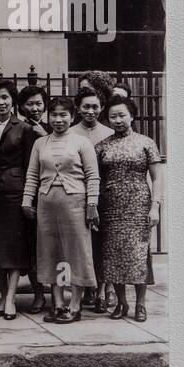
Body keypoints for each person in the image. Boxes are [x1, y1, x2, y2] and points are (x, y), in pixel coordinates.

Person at [22, 96, 100, 324]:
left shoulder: (81, 143)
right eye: (54, 115)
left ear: (72, 117)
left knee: (76, 252)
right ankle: (57, 304)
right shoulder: (40, 143)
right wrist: (27, 201)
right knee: (51, 252)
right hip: (47, 203)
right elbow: (32, 175)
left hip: (75, 202)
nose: (58, 119)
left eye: (63, 115)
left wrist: (92, 205)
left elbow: (93, 177)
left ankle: (74, 305)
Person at [96, 95, 164, 323]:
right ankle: (122, 304)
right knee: (113, 255)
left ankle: (141, 304)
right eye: (112, 116)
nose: (117, 120)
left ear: (132, 115)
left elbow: (157, 177)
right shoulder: (102, 146)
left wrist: (155, 207)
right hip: (110, 207)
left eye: (122, 115)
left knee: (138, 255)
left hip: (138, 205)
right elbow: (94, 178)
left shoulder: (146, 142)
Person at [0, 79, 39, 319]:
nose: (0, 102)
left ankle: (11, 298)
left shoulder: (24, 128)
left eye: (5, 98)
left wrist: (27, 197)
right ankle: (2, 295)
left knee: (14, 248)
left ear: (12, 101)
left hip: (15, 193)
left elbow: (30, 166)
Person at [70, 88, 115, 310]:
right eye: (86, 106)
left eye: (95, 106)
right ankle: (87, 288)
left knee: (103, 244)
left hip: (106, 195)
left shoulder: (109, 132)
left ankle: (103, 291)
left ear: (102, 108)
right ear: (78, 108)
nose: (90, 111)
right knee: (84, 245)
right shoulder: (70, 133)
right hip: (79, 195)